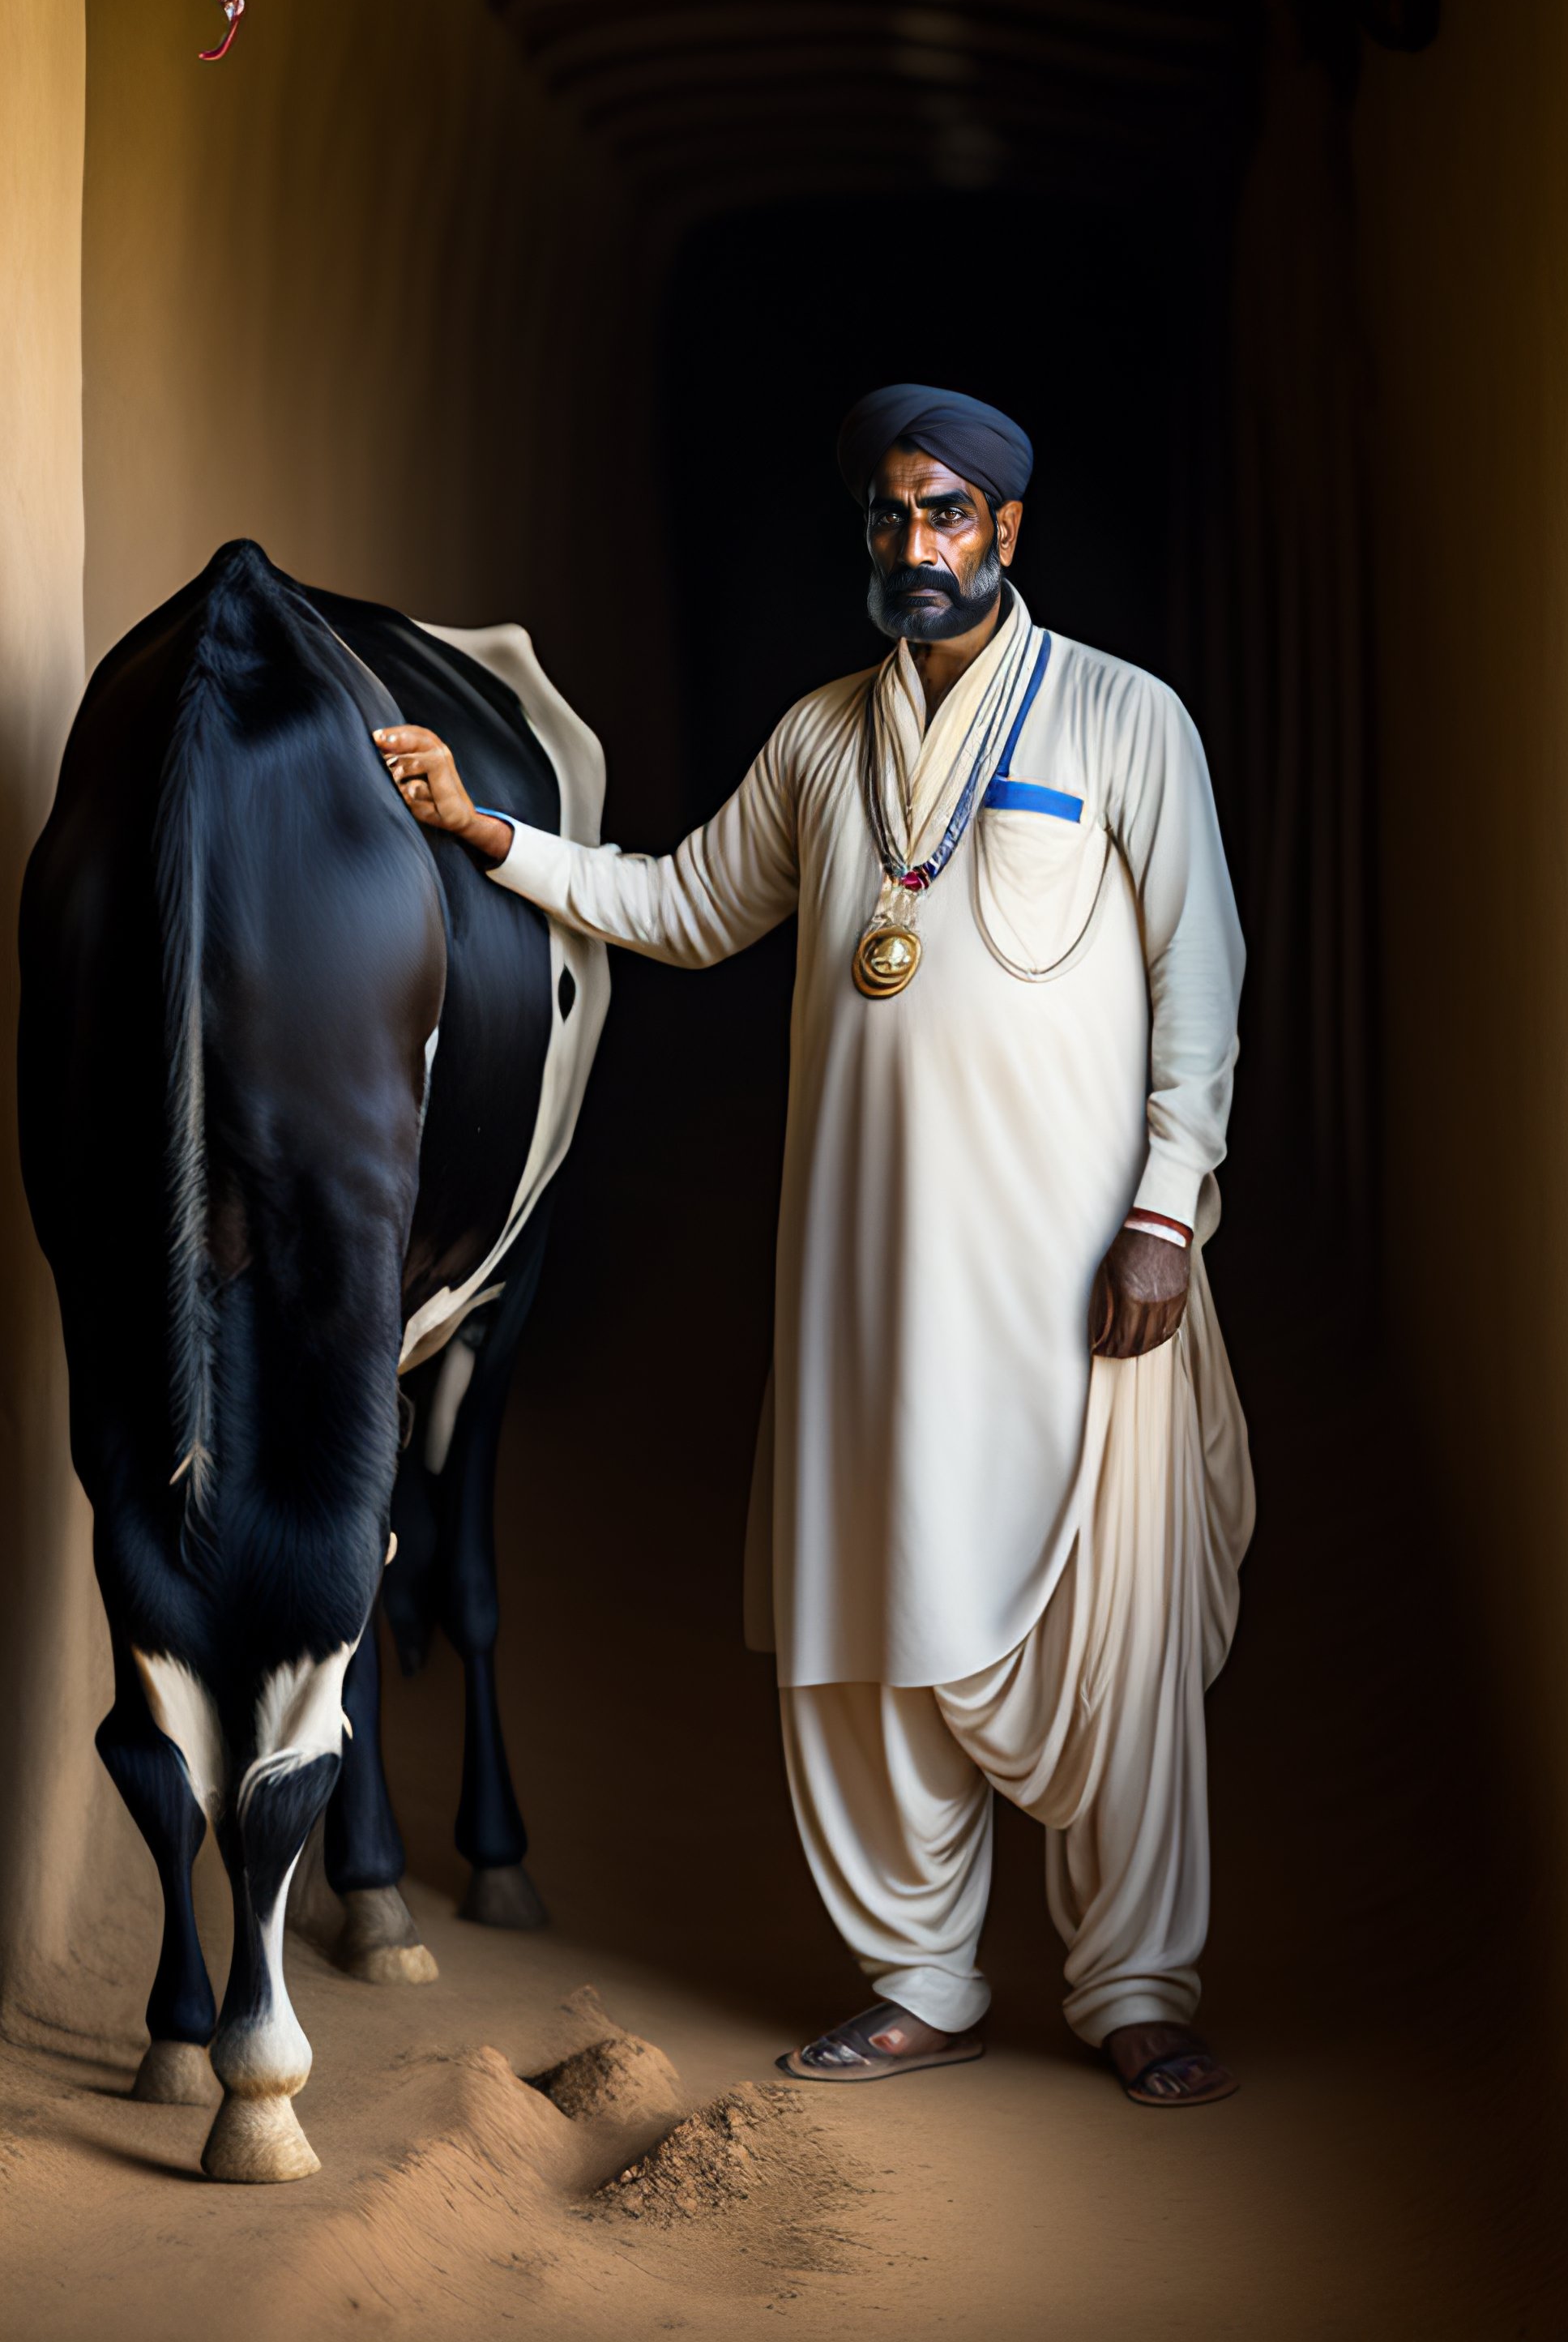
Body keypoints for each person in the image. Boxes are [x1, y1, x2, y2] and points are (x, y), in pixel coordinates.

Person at [375, 382, 1255, 2107]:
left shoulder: (1124, 721)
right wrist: (489, 837)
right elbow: (688, 907)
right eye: (887, 517)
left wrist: (1166, 1206)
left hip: (1085, 1277)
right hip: (867, 1280)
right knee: (873, 1602)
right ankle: (920, 1975)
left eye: (945, 517)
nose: (912, 546)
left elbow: (1202, 988)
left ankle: (1135, 1986)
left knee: (1113, 1631)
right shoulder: (819, 739)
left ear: (1008, 534)